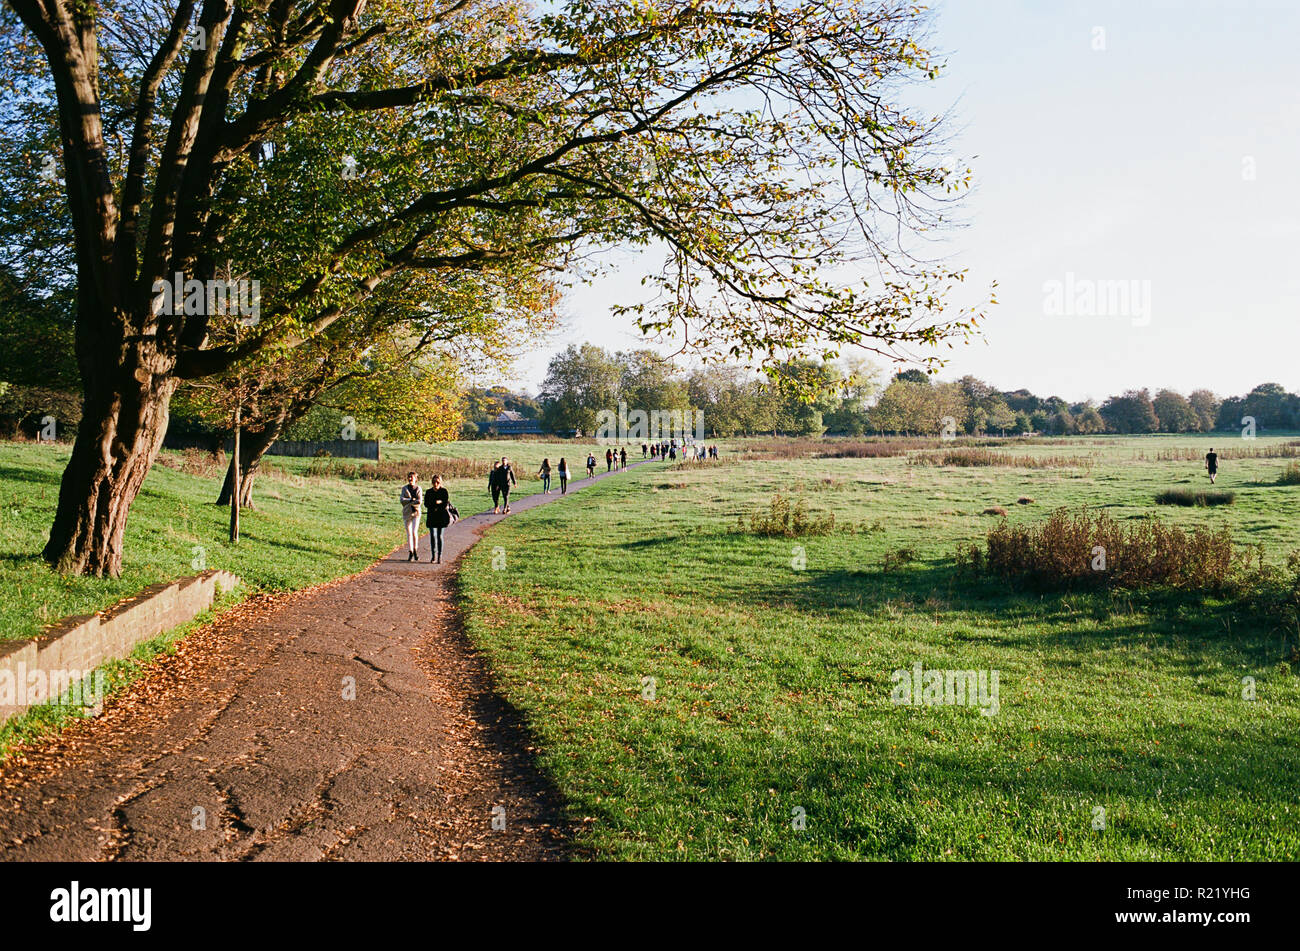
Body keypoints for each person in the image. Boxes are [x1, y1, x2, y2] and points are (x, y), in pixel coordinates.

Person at [424, 475, 451, 564]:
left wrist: (437, 504)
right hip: (432, 517)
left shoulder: (444, 491)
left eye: (437, 482)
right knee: (433, 536)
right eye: (434, 482)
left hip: (441, 517)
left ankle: (440, 556)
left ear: (440, 483)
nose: (435, 484)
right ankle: (433, 556)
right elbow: (426, 504)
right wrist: (436, 503)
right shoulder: (428, 492)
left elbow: (445, 503)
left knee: (439, 536)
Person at [400, 471, 422, 561]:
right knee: (409, 533)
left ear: (415, 479)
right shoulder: (404, 488)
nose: (410, 479)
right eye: (409, 477)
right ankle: (410, 551)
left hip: (416, 512)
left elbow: (419, 501)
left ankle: (415, 549)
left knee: (414, 532)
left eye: (412, 477)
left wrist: (409, 501)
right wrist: (411, 499)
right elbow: (402, 500)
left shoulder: (418, 488)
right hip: (407, 513)